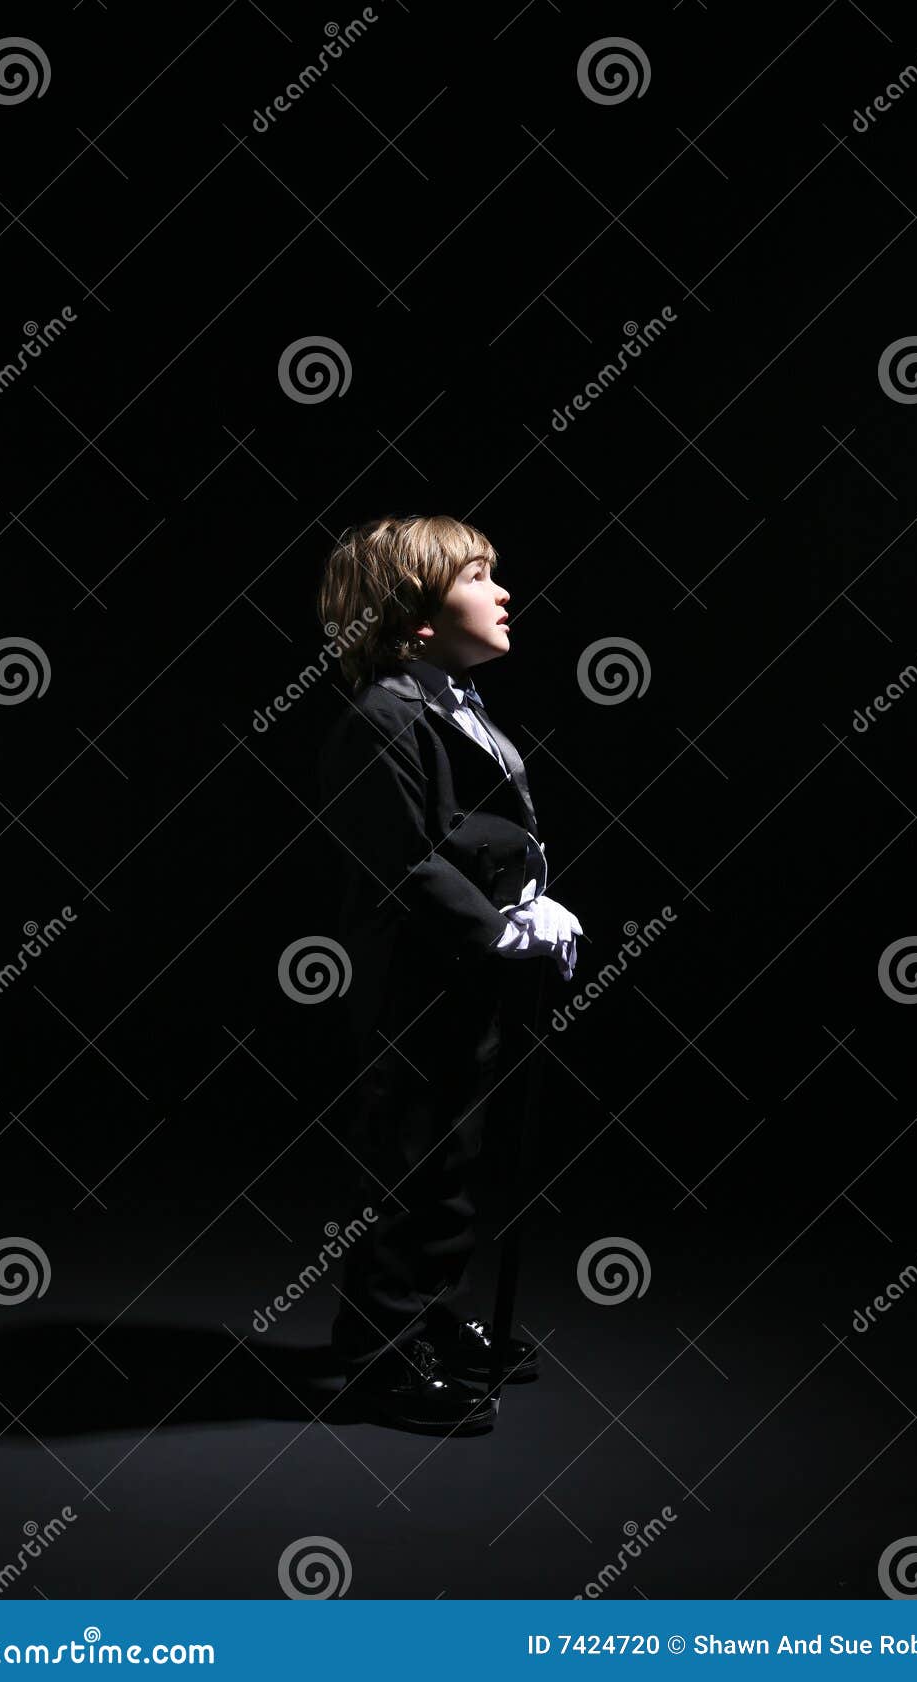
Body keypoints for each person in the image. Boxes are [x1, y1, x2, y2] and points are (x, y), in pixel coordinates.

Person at [314, 515, 583, 1434]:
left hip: (456, 982)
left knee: (451, 1159)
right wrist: (499, 929)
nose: (503, 592)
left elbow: (469, 831)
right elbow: (405, 860)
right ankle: (374, 1358)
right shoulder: (382, 717)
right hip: (409, 984)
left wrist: (523, 892)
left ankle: (427, 1318)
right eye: (479, 575)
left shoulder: (448, 705)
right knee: (405, 1161)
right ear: (413, 615)